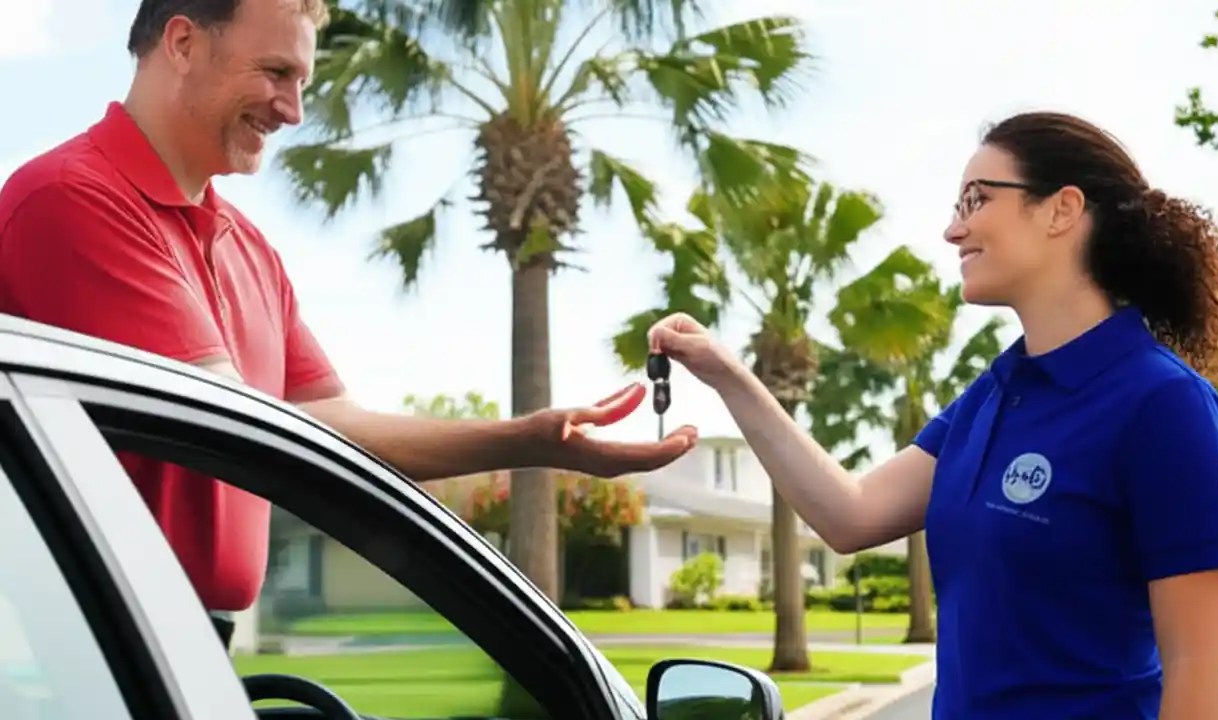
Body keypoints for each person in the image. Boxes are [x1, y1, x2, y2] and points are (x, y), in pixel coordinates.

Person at [0, 0, 696, 645]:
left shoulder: (248, 247)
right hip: (85, 641)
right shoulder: (72, 199)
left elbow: (337, 427)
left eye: (301, 79)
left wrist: (534, 440)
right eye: (276, 72)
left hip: (177, 639)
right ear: (182, 43)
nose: (295, 111)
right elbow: (239, 425)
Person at [649, 111, 1218, 719]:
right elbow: (850, 514)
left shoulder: (1163, 403)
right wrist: (726, 372)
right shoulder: (993, 395)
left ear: (1061, 210)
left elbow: (1206, 664)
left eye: (976, 200)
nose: (952, 231)